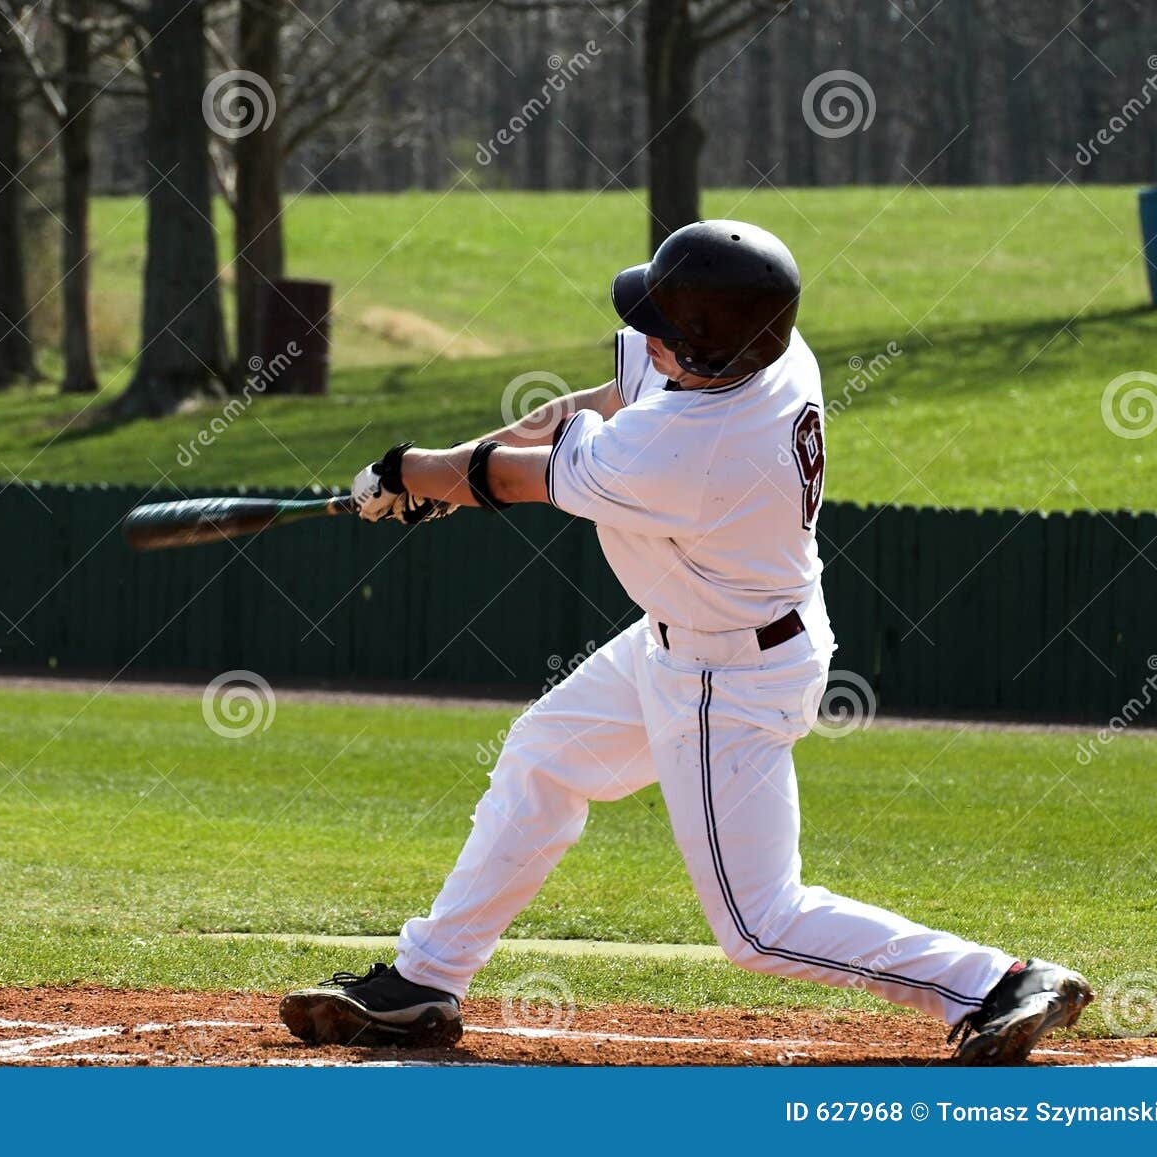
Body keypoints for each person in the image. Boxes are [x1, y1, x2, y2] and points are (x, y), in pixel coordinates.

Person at [278, 220, 1092, 1065]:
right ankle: (424, 980)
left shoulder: (679, 452)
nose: (645, 335)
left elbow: (519, 477)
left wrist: (410, 472)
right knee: (544, 755)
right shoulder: (772, 350)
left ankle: (995, 981)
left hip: (724, 671)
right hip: (699, 632)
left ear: (703, 352)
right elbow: (591, 405)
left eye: (665, 329)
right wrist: (447, 469)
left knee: (758, 923)